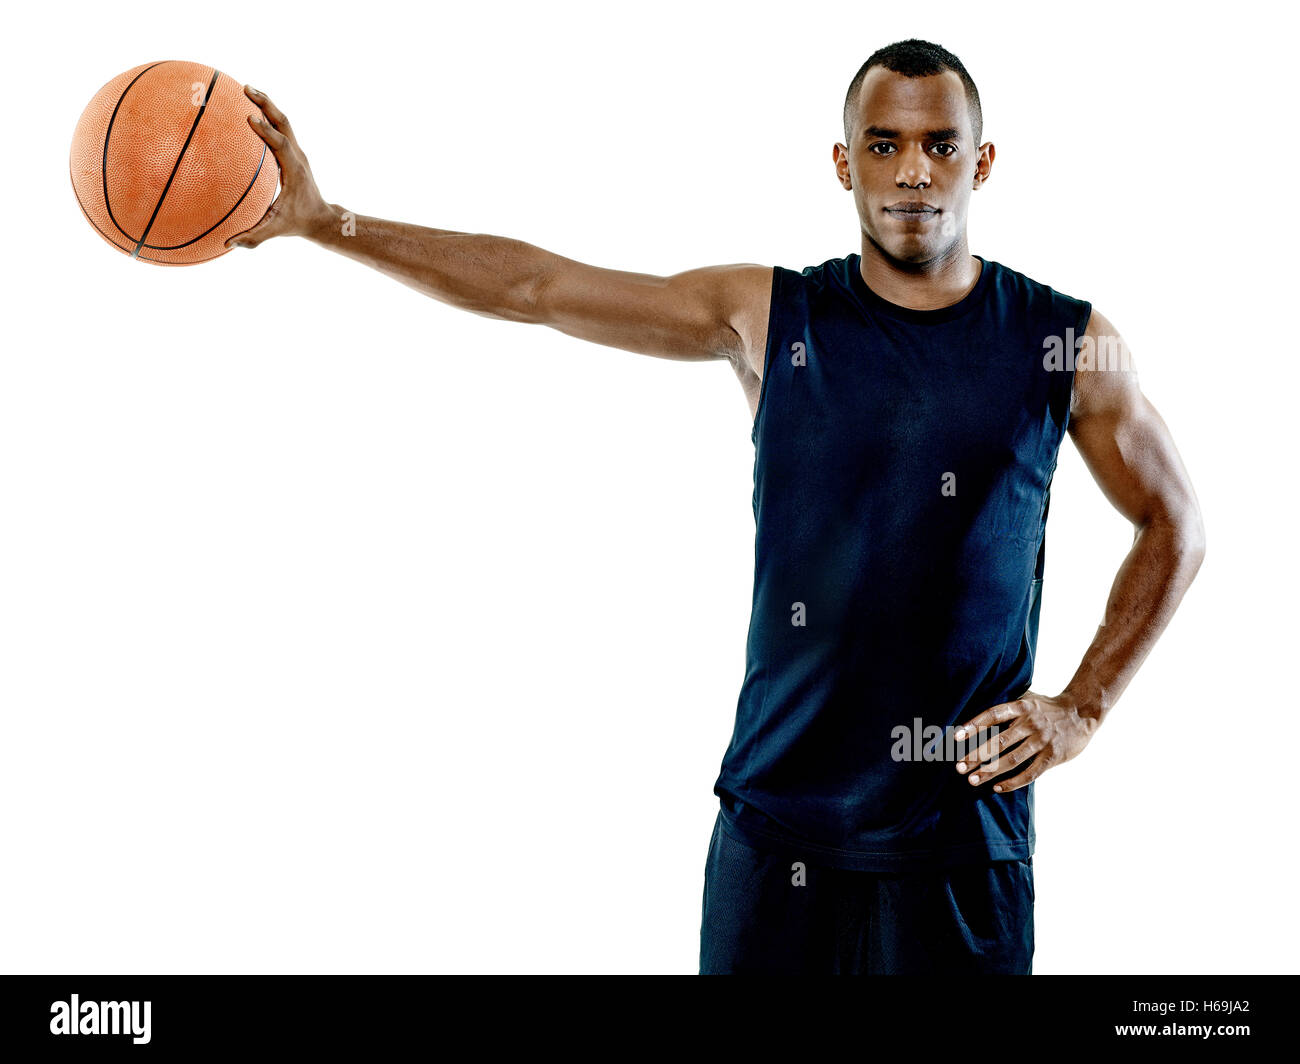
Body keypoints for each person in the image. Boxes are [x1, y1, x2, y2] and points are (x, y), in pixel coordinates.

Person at [226, 38, 1205, 975]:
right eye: (884, 144)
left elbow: (1175, 523)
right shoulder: (770, 316)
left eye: (939, 146)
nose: (913, 172)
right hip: (773, 835)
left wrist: (1082, 704)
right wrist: (326, 220)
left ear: (981, 161)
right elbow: (536, 285)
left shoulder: (1062, 340)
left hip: (961, 850)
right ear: (842, 162)